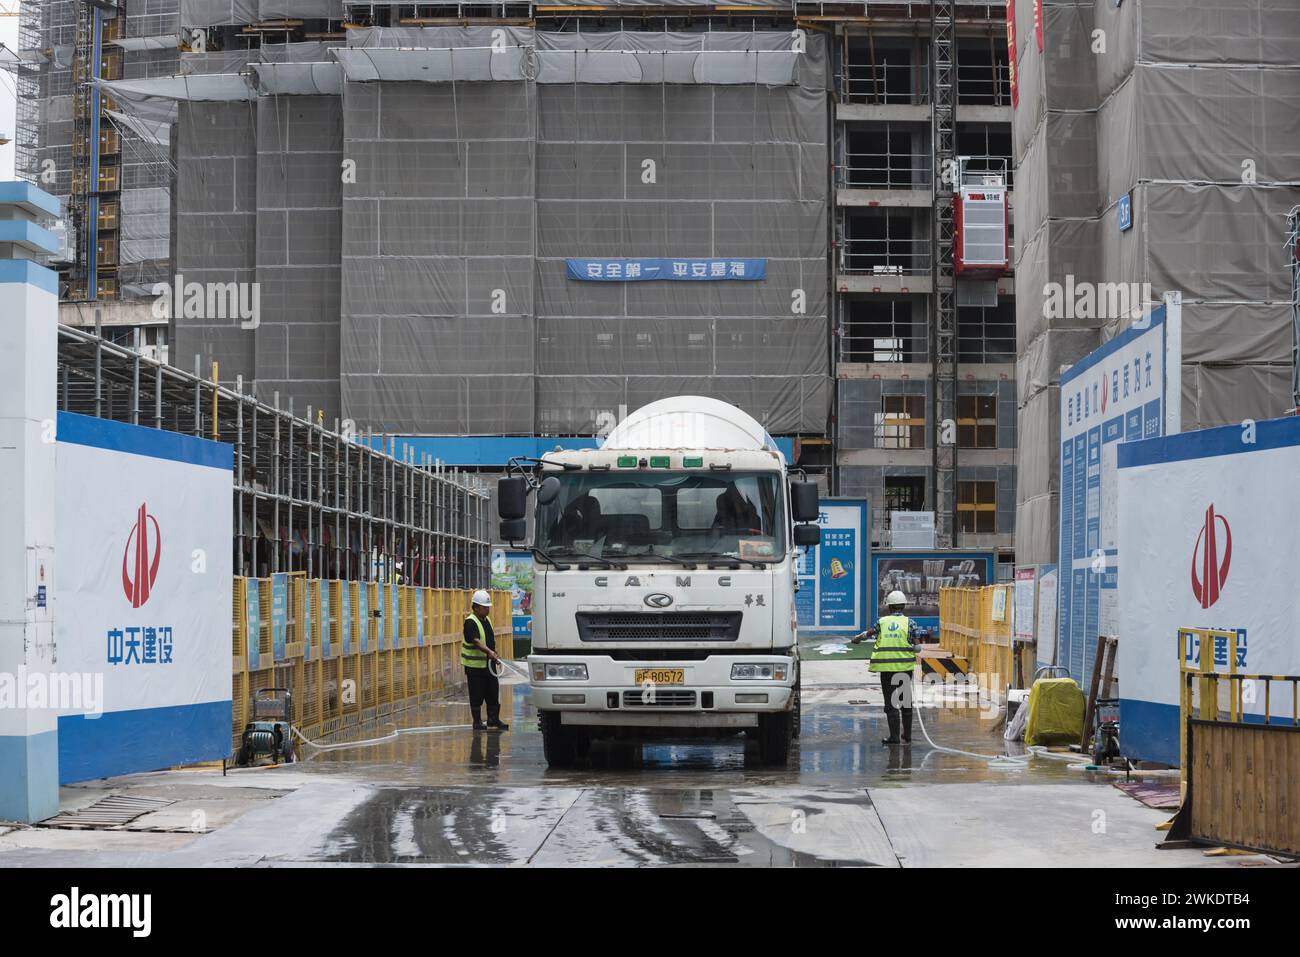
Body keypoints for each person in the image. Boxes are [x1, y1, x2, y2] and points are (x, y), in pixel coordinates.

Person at [852, 589, 919, 745]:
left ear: (889, 607)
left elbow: (868, 634)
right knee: (905, 702)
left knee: (891, 703)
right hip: (904, 669)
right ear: (903, 606)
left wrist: (857, 638)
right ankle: (907, 736)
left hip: (887, 669)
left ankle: (894, 737)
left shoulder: (882, 622)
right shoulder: (911, 623)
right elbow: (917, 646)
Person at [463, 589, 509, 732]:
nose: (487, 610)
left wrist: (494, 654)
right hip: (475, 667)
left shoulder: (486, 620)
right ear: (476, 607)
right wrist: (490, 652)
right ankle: (477, 722)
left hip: (488, 664)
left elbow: (488, 640)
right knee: (477, 695)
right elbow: (476, 641)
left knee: (493, 692)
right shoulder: (470, 622)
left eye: (488, 607)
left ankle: (493, 719)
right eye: (484, 607)